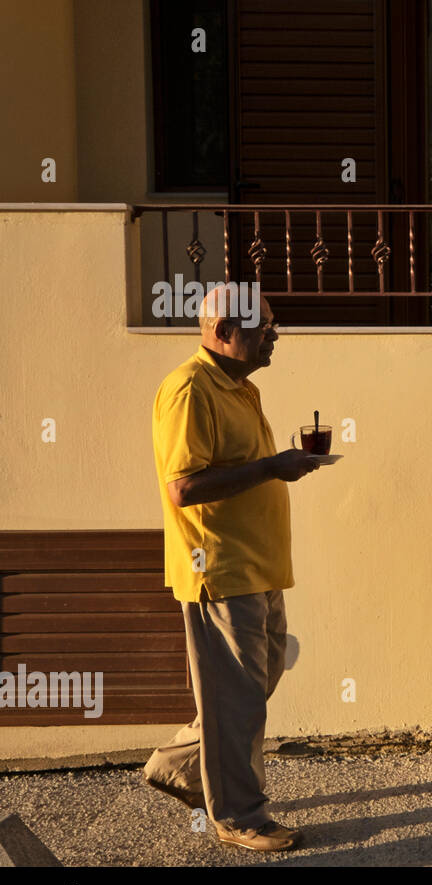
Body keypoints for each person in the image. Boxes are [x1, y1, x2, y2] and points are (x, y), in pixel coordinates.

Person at [143, 286, 320, 852]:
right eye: (263, 327)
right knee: (238, 696)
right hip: (218, 566)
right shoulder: (190, 390)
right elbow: (183, 487)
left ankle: (180, 765)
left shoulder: (240, 388)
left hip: (258, 564)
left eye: (273, 325)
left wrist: (276, 467)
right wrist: (273, 466)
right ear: (223, 331)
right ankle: (240, 816)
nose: (275, 335)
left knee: (253, 683)